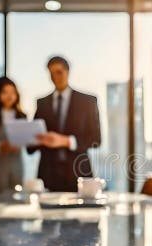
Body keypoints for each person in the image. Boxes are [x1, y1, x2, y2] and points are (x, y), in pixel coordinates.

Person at [29, 56, 101, 192]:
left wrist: (65, 141)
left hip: (78, 173)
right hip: (48, 175)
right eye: (51, 73)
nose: (55, 77)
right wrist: (37, 139)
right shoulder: (42, 103)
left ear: (68, 72)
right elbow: (31, 144)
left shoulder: (87, 102)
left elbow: (96, 139)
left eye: (59, 72)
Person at [0, 77, 27, 196]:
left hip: (17, 168)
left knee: (17, 200)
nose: (9, 96)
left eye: (12, 92)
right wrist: (1, 147)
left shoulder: (22, 116)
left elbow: (26, 140)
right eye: (5, 92)